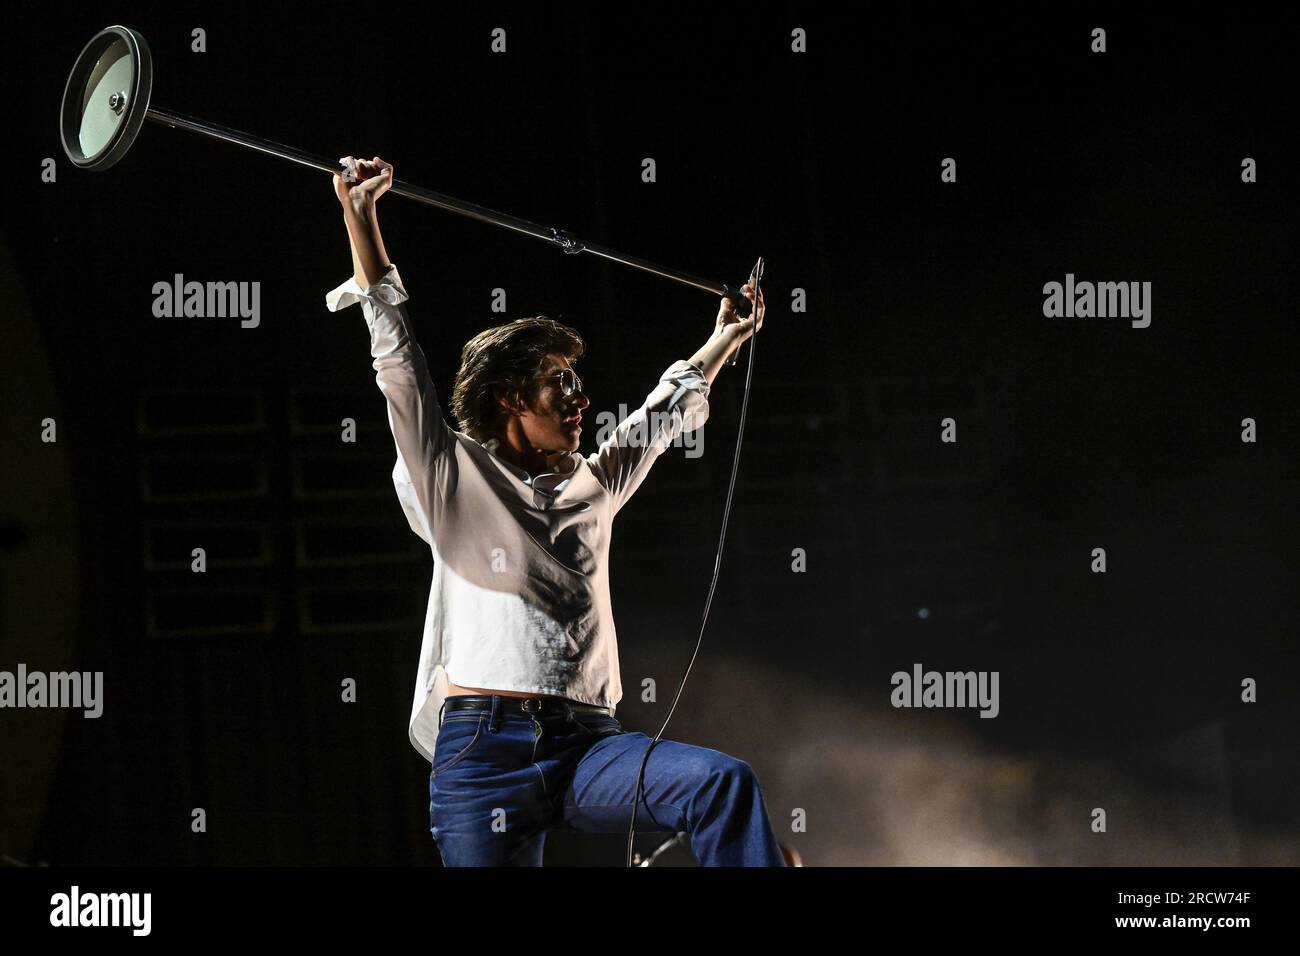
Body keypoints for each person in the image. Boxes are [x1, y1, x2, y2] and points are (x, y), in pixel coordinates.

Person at [326, 155, 787, 866]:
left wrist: (726, 335)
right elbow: (397, 358)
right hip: (485, 755)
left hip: (589, 745)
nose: (580, 398)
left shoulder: (593, 484)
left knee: (722, 784)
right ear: (510, 398)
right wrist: (362, 216)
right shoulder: (452, 473)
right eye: (558, 383)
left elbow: (662, 414)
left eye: (578, 382)